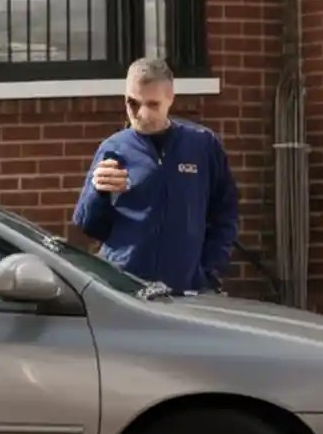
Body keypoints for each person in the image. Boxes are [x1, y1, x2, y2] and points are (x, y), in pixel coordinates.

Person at [71, 58, 239, 294]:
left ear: (170, 98)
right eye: (133, 103)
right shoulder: (114, 149)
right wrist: (97, 192)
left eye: (153, 104)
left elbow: (225, 212)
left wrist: (210, 270)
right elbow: (89, 226)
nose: (142, 114)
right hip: (126, 289)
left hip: (185, 289)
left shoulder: (202, 145)